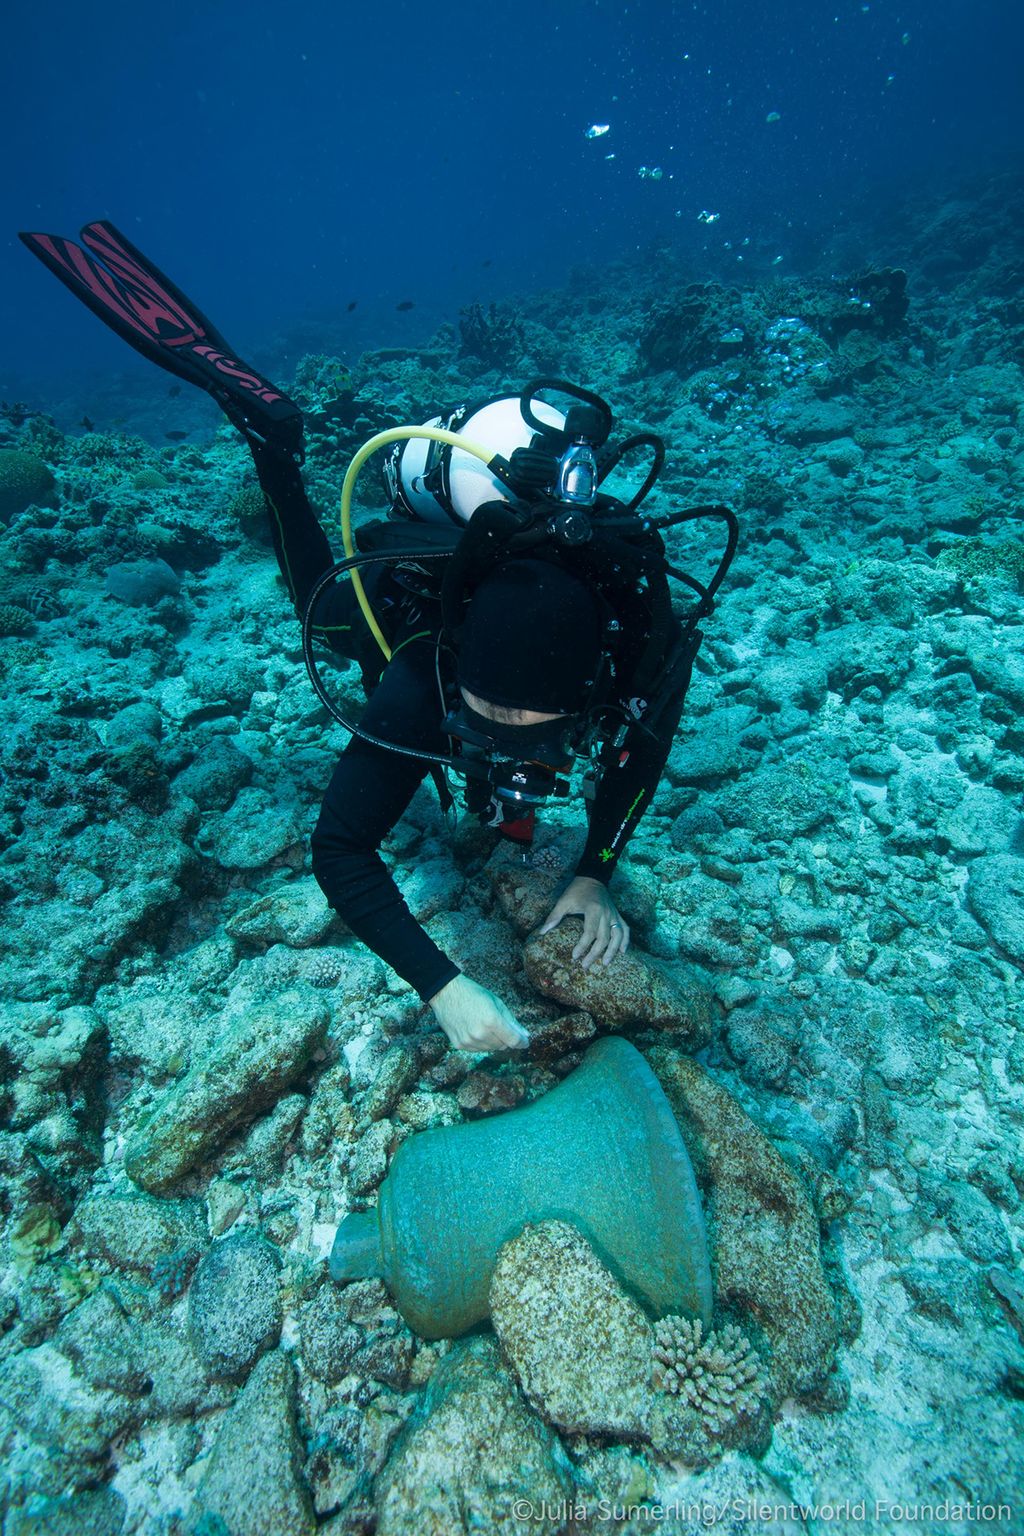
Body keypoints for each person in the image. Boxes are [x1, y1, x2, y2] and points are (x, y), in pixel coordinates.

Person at [20, 220, 736, 1053]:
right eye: (479, 724)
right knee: (332, 625)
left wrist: (595, 873)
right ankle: (272, 447)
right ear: (455, 670)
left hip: (530, 562)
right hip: (445, 563)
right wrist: (443, 985)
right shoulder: (428, 669)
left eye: (529, 739)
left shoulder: (643, 654)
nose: (501, 751)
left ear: (587, 704)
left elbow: (638, 759)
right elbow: (341, 849)